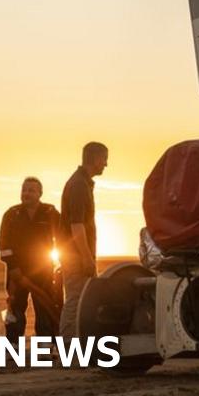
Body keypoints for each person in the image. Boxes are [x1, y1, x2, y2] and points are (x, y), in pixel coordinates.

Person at [0, 177, 61, 342]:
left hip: (44, 271)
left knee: (45, 310)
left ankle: (45, 348)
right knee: (15, 310)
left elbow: (63, 237)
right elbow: (4, 245)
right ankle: (12, 348)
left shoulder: (50, 213)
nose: (26, 193)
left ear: (40, 194)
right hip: (17, 273)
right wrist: (13, 268)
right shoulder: (11, 214)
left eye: (31, 190)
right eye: (24, 190)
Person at [58, 141, 108, 338]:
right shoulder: (79, 185)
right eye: (104, 159)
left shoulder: (82, 183)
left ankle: (76, 351)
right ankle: (69, 353)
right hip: (76, 255)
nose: (106, 164)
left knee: (81, 301)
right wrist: (86, 258)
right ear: (95, 159)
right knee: (76, 301)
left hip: (75, 253)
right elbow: (76, 226)